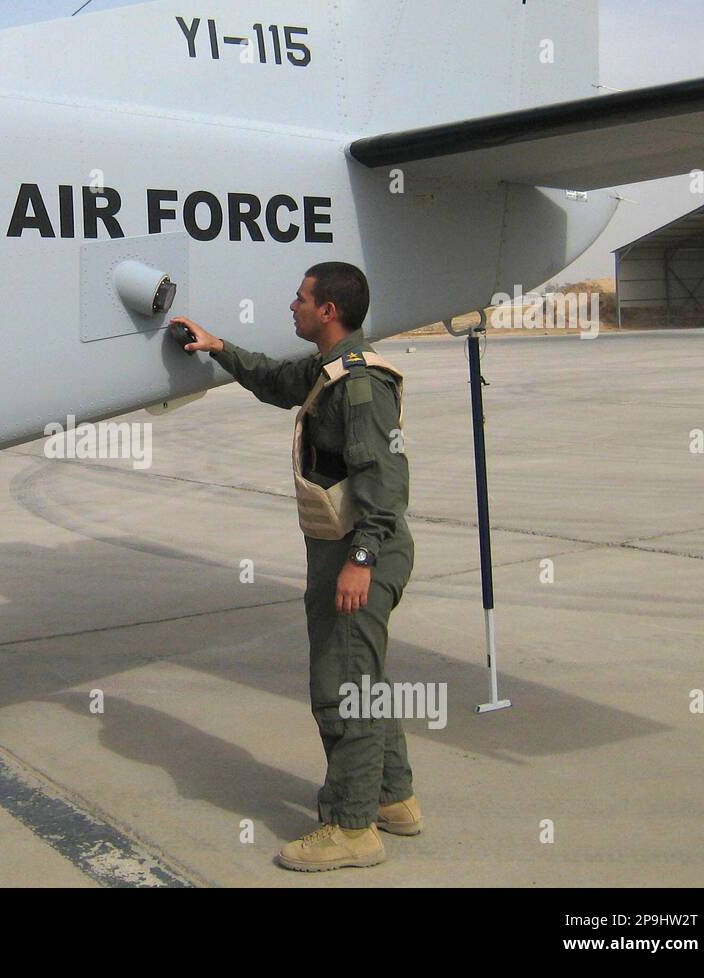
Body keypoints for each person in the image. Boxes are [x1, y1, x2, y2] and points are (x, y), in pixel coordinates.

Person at [170, 261, 422, 872]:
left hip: (361, 549)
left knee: (344, 687)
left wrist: (360, 561)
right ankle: (392, 797)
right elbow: (277, 380)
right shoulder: (328, 370)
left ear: (328, 311)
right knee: (365, 676)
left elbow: (384, 483)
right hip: (345, 544)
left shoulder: (360, 386)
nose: (293, 305)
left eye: (302, 298)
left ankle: (352, 827)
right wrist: (219, 347)